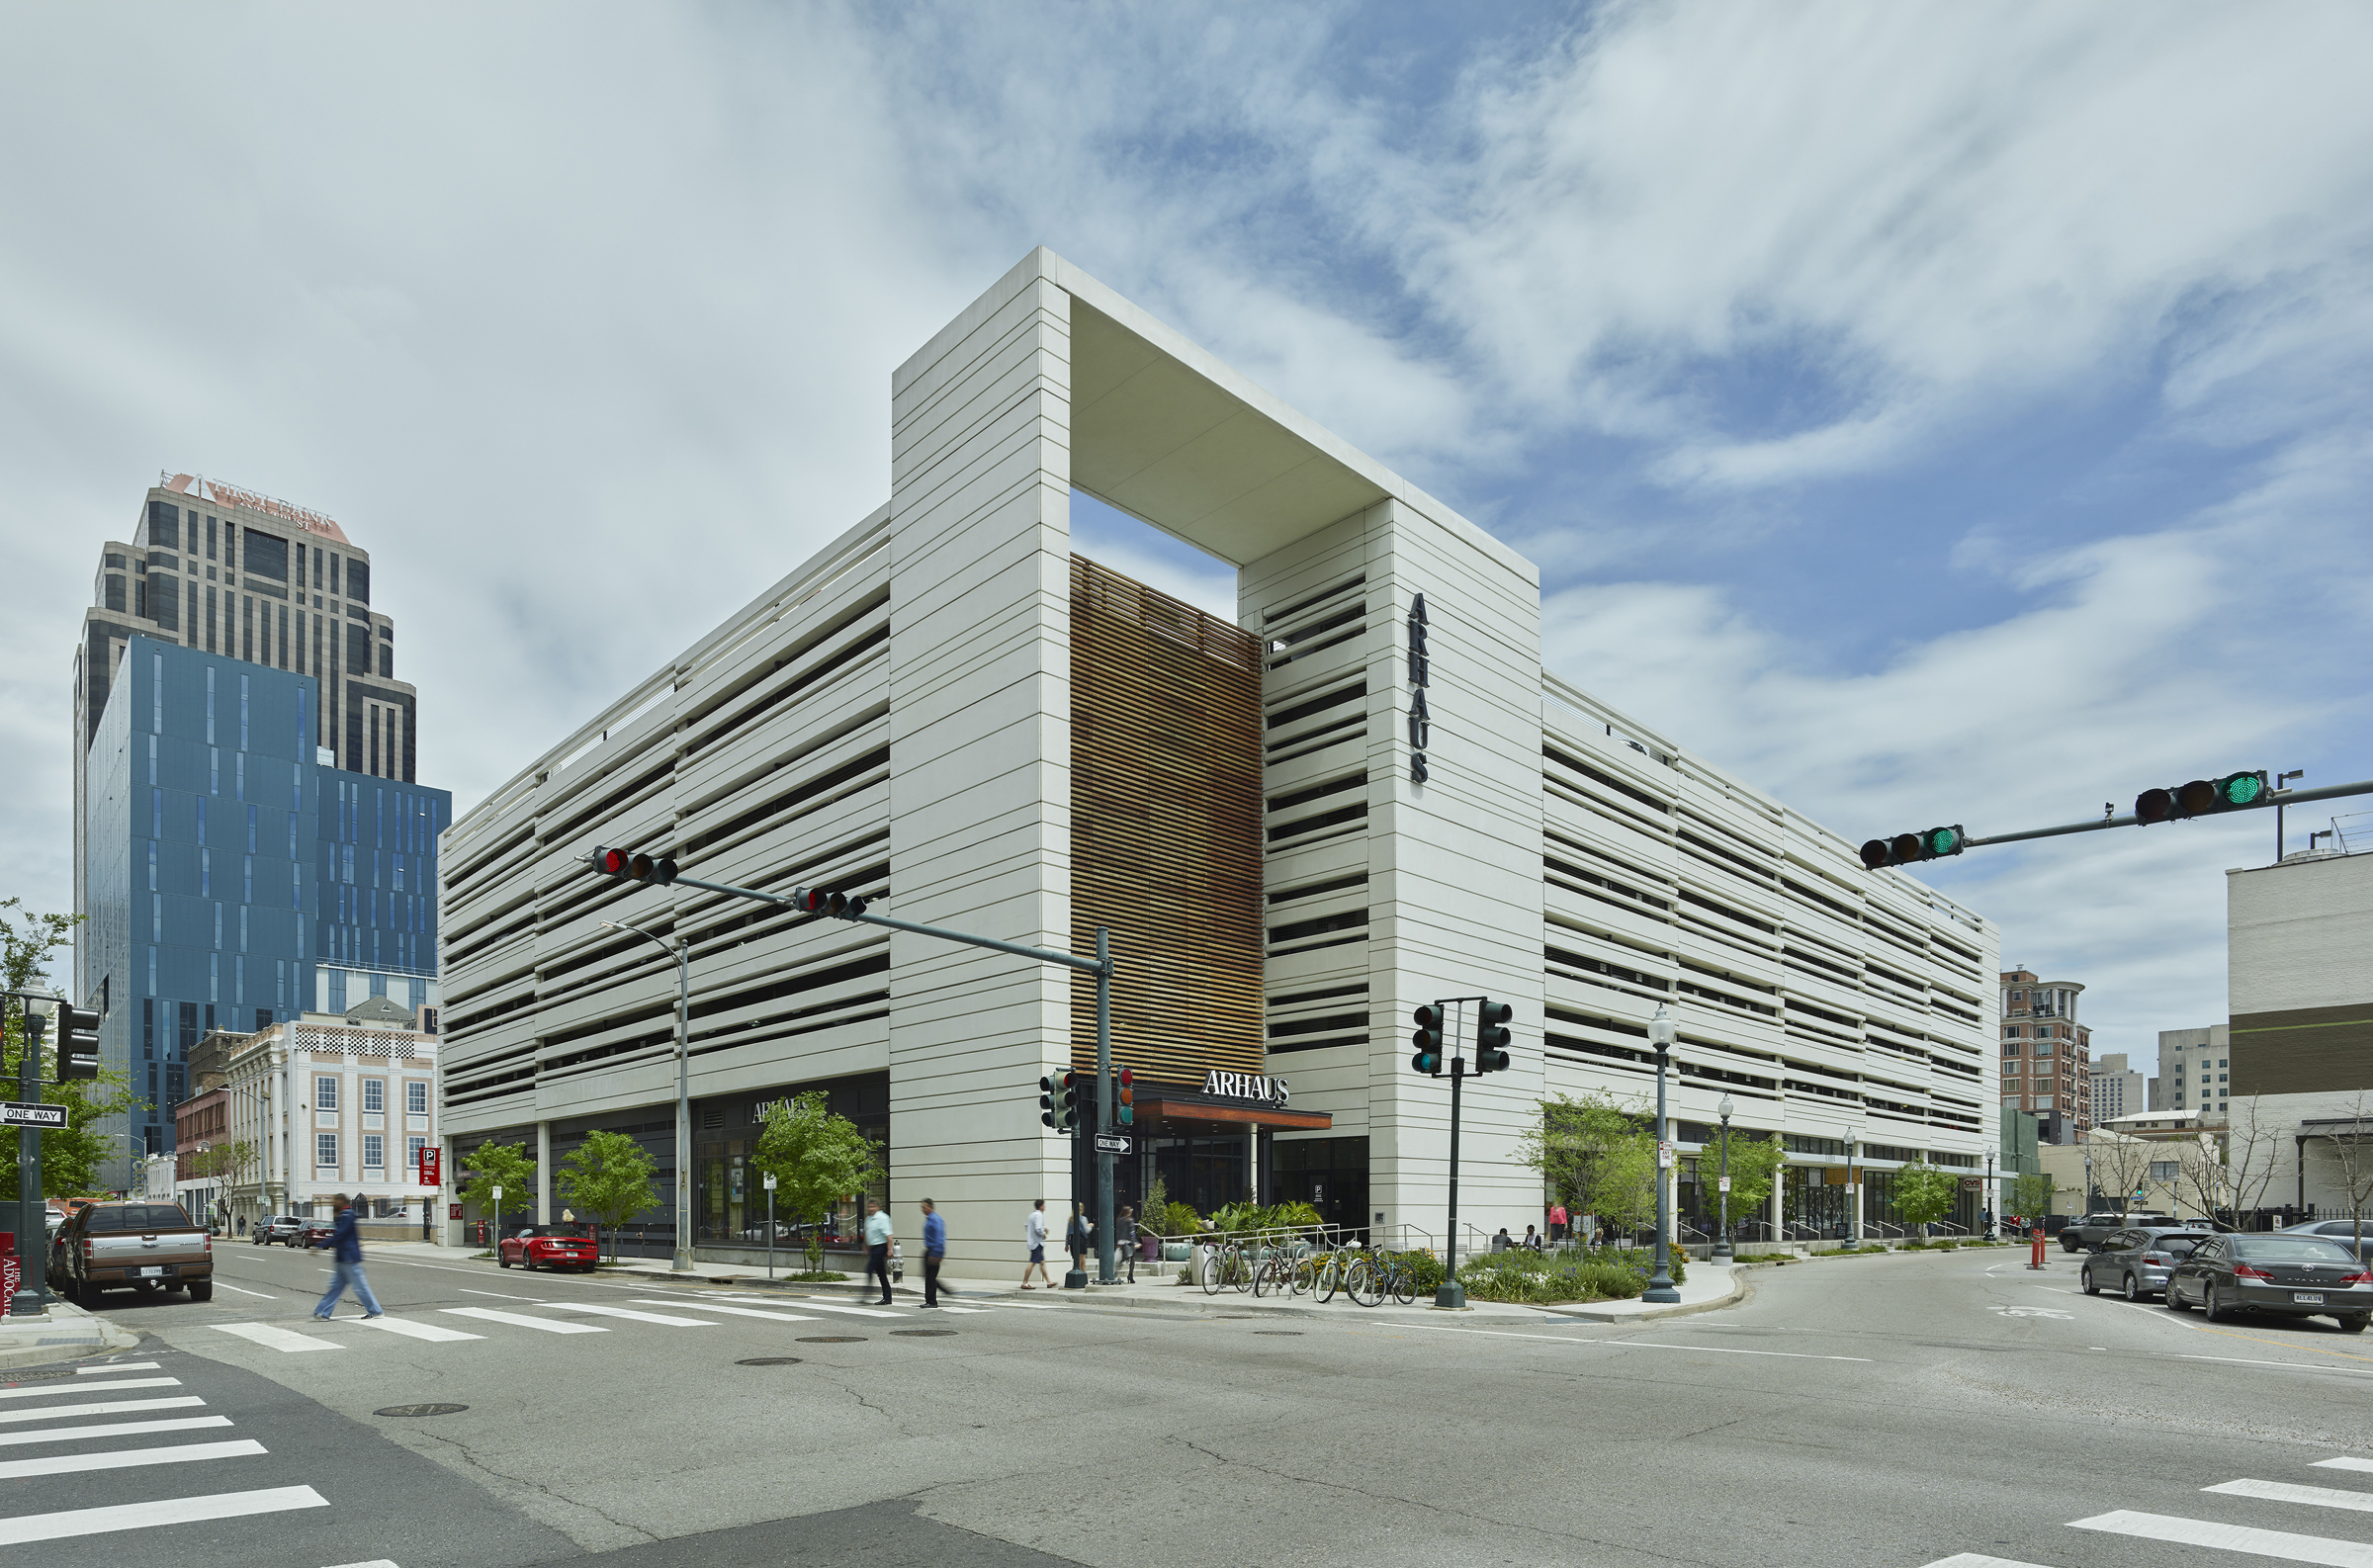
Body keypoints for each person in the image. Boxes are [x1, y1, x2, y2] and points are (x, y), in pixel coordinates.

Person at [310, 1195, 384, 1321]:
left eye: (336, 1201)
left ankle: (375, 1310)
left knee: (360, 1286)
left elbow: (340, 1235)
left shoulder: (347, 1216)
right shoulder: (342, 1216)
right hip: (343, 1257)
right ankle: (322, 1312)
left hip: (349, 1257)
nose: (334, 1203)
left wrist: (320, 1245)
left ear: (343, 1201)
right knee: (336, 1286)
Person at [920, 1197, 950, 1307]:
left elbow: (939, 1236)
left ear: (930, 1207)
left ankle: (932, 1301)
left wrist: (937, 1253)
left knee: (930, 1277)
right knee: (929, 1276)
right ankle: (938, 1294)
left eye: (924, 1207)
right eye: (922, 1207)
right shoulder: (930, 1219)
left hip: (934, 1250)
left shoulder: (935, 1219)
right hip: (930, 1250)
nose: (922, 1209)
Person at [862, 1197, 895, 1305]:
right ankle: (887, 1298)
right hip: (873, 1248)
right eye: (869, 1207)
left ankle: (866, 1293)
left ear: (878, 1207)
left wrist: (889, 1249)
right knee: (881, 1273)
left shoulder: (882, 1218)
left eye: (873, 1206)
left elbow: (888, 1235)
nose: (870, 1209)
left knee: (870, 1269)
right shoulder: (868, 1219)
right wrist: (865, 1246)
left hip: (880, 1247)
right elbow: (867, 1233)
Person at [1022, 1198, 1052, 1289]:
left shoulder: (1031, 1215)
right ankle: (1025, 1282)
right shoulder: (1039, 1215)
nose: (1045, 1207)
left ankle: (1049, 1282)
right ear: (1041, 1206)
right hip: (1037, 1242)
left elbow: (1027, 1226)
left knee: (1042, 1262)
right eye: (1044, 1205)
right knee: (1033, 1262)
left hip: (1032, 1241)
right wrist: (1043, 1233)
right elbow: (1038, 1228)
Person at [1066, 1201, 1091, 1277]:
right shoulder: (1083, 1219)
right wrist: (1090, 1226)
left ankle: (1083, 1275)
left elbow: (1068, 1232)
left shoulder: (1070, 1219)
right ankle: (1082, 1276)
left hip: (1073, 1239)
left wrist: (1066, 1244)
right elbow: (1086, 1230)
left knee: (1079, 1259)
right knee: (1081, 1260)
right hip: (1080, 1239)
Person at [1116, 1205, 1138, 1283]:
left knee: (1121, 1259)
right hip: (1128, 1243)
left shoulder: (1119, 1220)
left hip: (1120, 1242)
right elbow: (1132, 1233)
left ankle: (1114, 1273)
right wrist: (1135, 1242)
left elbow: (1117, 1232)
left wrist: (1117, 1242)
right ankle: (1130, 1275)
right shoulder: (1130, 1220)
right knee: (1132, 1259)